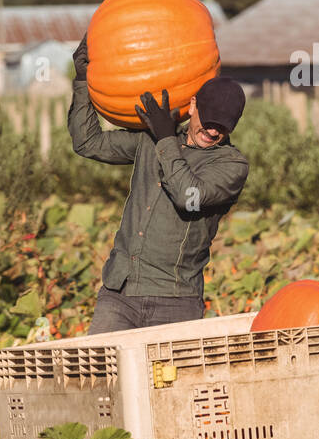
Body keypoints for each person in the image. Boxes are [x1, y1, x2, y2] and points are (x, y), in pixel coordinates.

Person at [67, 35, 248, 333]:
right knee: (103, 377)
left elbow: (187, 195)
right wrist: (83, 81)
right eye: (209, 119)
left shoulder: (231, 164)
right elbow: (88, 142)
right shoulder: (149, 141)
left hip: (175, 300)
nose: (213, 131)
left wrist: (165, 139)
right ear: (192, 106)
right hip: (119, 293)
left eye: (223, 126)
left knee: (169, 381)